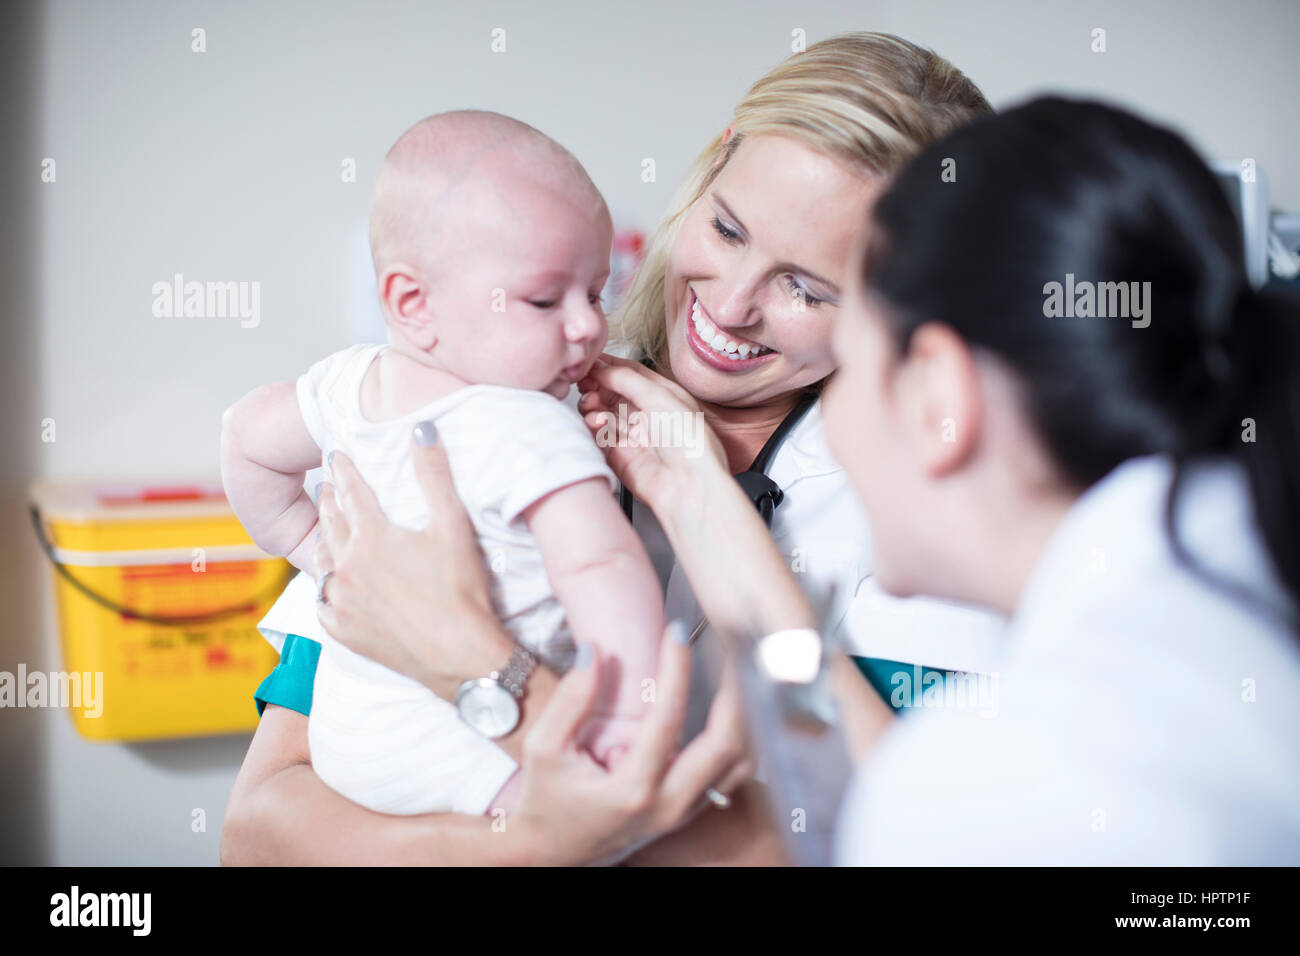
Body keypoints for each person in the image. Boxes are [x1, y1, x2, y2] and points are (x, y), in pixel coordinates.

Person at [221, 32, 999, 866]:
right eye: (729, 229)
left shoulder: (931, 519)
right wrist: (529, 840)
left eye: (805, 288)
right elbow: (260, 829)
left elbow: (886, 834)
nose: (730, 306)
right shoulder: (480, 398)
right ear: (713, 167)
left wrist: (483, 664)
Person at [579, 97, 1300, 863]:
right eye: (728, 229)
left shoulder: (984, 778)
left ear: (941, 393)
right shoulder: (1224, 627)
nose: (731, 304)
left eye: (846, 358)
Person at [220, 111, 664, 819]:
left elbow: (244, 434)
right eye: (546, 299)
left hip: (341, 754)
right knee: (623, 828)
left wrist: (310, 551)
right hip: (478, 761)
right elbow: (604, 570)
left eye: (596, 292)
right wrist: (622, 722)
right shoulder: (528, 424)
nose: (586, 325)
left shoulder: (346, 385)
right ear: (412, 303)